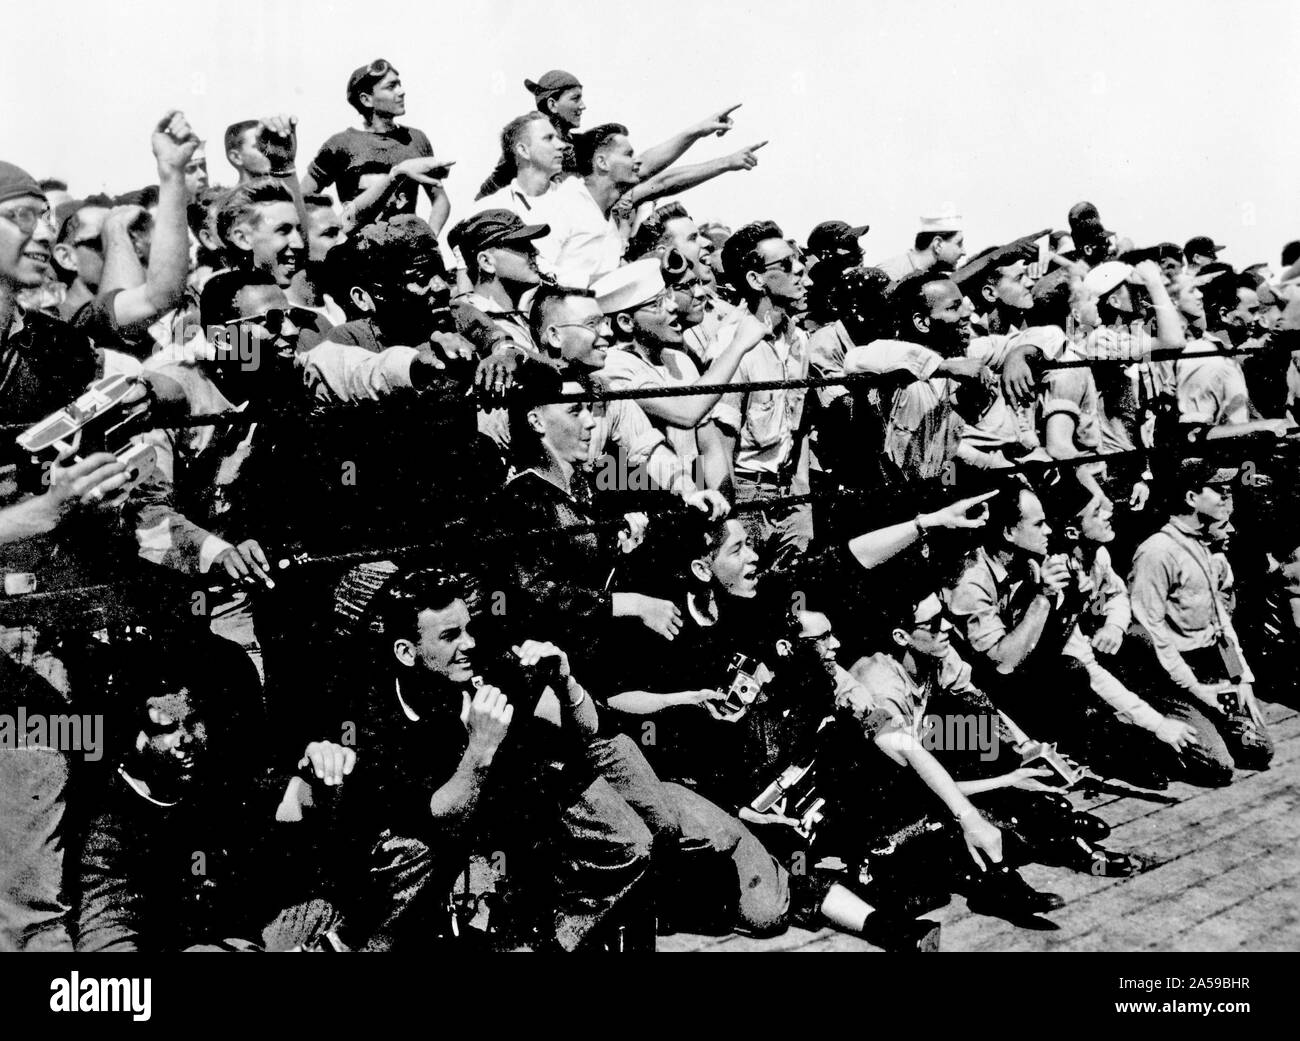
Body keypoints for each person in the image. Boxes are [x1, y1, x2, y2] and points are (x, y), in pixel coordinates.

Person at [76, 650, 354, 951]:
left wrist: (322, 768)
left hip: (243, 938)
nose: (187, 739)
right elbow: (104, 942)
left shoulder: (210, 777)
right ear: (135, 738)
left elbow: (287, 799)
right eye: (167, 728)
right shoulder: (109, 827)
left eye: (193, 720)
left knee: (323, 915)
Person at [945, 479, 1168, 787]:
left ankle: (1101, 746)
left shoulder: (1027, 562)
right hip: (975, 702)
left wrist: (1074, 604)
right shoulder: (972, 581)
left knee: (1070, 671)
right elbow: (1002, 664)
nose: (1048, 531)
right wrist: (1044, 596)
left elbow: (1047, 646)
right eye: (1038, 524)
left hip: (1016, 682)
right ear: (1008, 532)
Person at [1128, 459, 1274, 774]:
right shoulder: (1158, 552)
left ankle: (1205, 717)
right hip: (1169, 678)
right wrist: (1197, 690)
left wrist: (1240, 676)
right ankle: (1156, 728)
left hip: (1208, 668)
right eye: (1218, 491)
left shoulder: (1205, 547)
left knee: (1258, 748)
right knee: (1217, 766)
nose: (1226, 498)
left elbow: (1221, 624)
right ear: (1191, 499)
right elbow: (1150, 633)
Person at [595, 258, 767, 489]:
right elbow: (686, 413)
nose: (673, 306)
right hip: (648, 506)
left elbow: (711, 449)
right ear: (626, 322)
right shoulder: (614, 366)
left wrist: (729, 518)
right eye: (657, 303)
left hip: (694, 506)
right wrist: (738, 346)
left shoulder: (680, 361)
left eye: (668, 296)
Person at [708, 221, 815, 566]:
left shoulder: (799, 340)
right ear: (756, 280)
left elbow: (798, 429)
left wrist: (802, 496)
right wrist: (732, 520)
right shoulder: (732, 345)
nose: (799, 269)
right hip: (746, 493)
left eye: (797, 259)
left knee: (794, 594)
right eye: (785, 265)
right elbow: (719, 445)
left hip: (789, 494)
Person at [63, 112, 201, 359]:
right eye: (99, 240)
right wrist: (117, 230)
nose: (184, 242)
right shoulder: (82, 321)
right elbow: (156, 297)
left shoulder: (197, 298)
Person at [300, 59, 447, 233]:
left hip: (405, 252)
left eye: (399, 84)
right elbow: (302, 199)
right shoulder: (340, 144)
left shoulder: (416, 139)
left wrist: (430, 238)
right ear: (366, 99)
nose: (402, 92)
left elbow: (440, 200)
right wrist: (330, 237)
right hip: (358, 252)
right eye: (391, 87)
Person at [874, 212, 966, 283]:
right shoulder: (891, 274)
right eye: (959, 243)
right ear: (938, 245)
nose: (963, 252)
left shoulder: (929, 276)